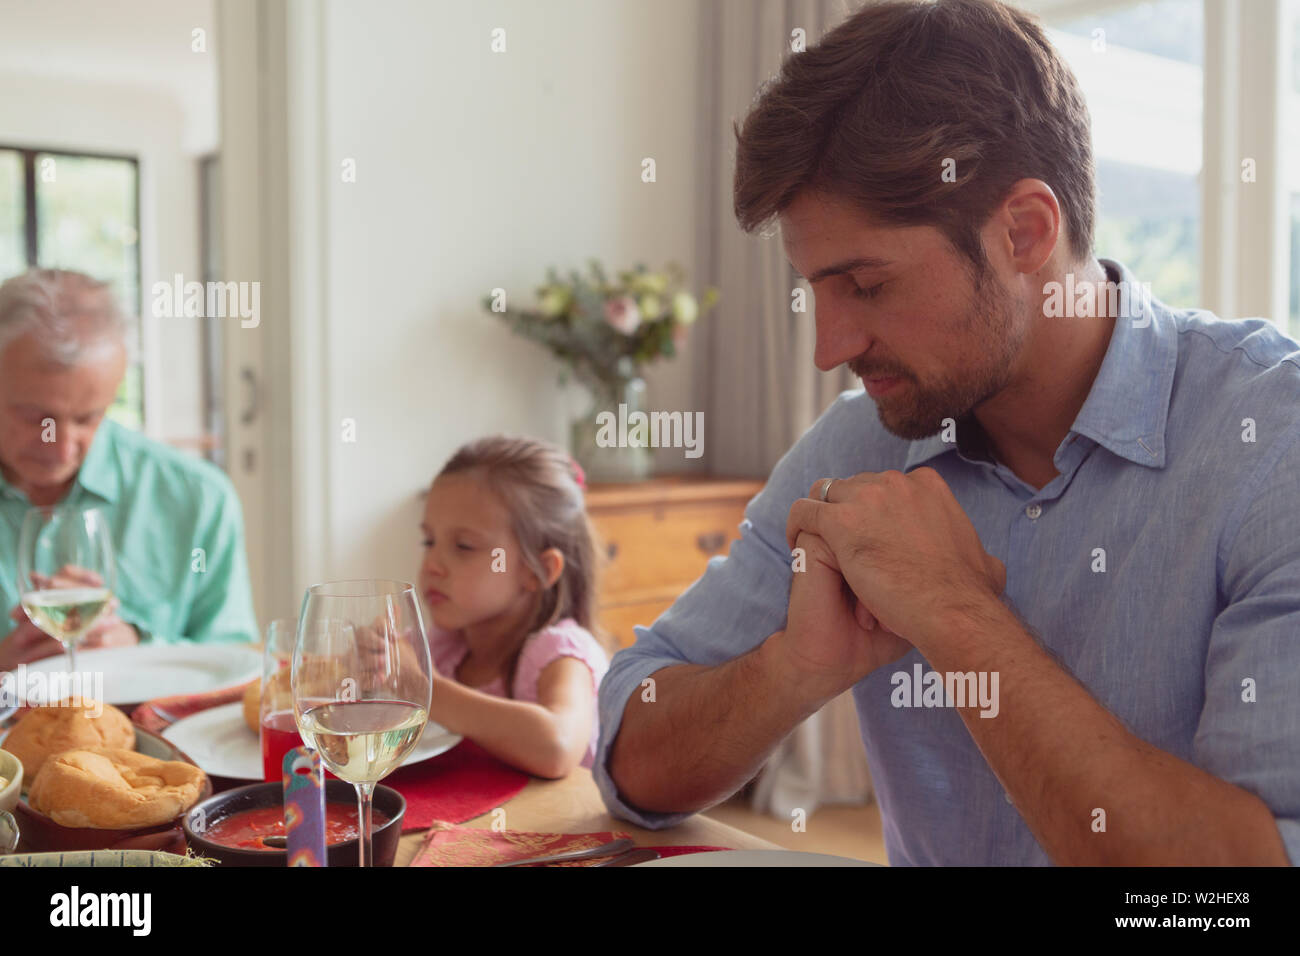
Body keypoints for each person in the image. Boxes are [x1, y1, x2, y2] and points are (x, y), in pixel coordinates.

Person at [596, 0, 1299, 865]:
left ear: (1027, 233)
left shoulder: (1271, 445)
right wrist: (793, 669)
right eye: (815, 289)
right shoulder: (858, 449)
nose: (828, 350)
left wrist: (955, 612)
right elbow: (629, 752)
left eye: (866, 284)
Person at [0, 269, 258, 669]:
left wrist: (139, 650)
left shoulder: (197, 498)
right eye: (36, 417)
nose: (63, 447)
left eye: (88, 417)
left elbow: (239, 661)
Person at [420, 435, 608, 777]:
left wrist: (425, 690)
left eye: (463, 546)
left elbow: (557, 746)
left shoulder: (559, 653)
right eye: (429, 541)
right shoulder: (446, 648)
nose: (432, 563)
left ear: (537, 571)